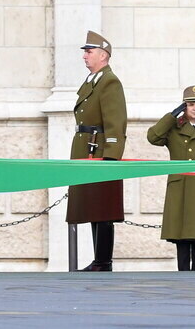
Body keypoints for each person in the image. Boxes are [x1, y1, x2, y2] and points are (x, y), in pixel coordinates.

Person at [67, 30, 128, 271]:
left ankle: (103, 260)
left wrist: (111, 156)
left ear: (103, 55)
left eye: (89, 52)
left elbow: (116, 121)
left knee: (103, 207)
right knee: (93, 206)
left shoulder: (109, 81)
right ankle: (99, 259)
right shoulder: (93, 81)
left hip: (99, 149)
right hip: (86, 147)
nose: (85, 56)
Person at [146, 85, 195, 271]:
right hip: (179, 188)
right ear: (184, 106)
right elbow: (152, 137)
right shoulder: (174, 127)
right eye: (190, 104)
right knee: (181, 236)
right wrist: (171, 116)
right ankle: (183, 275)